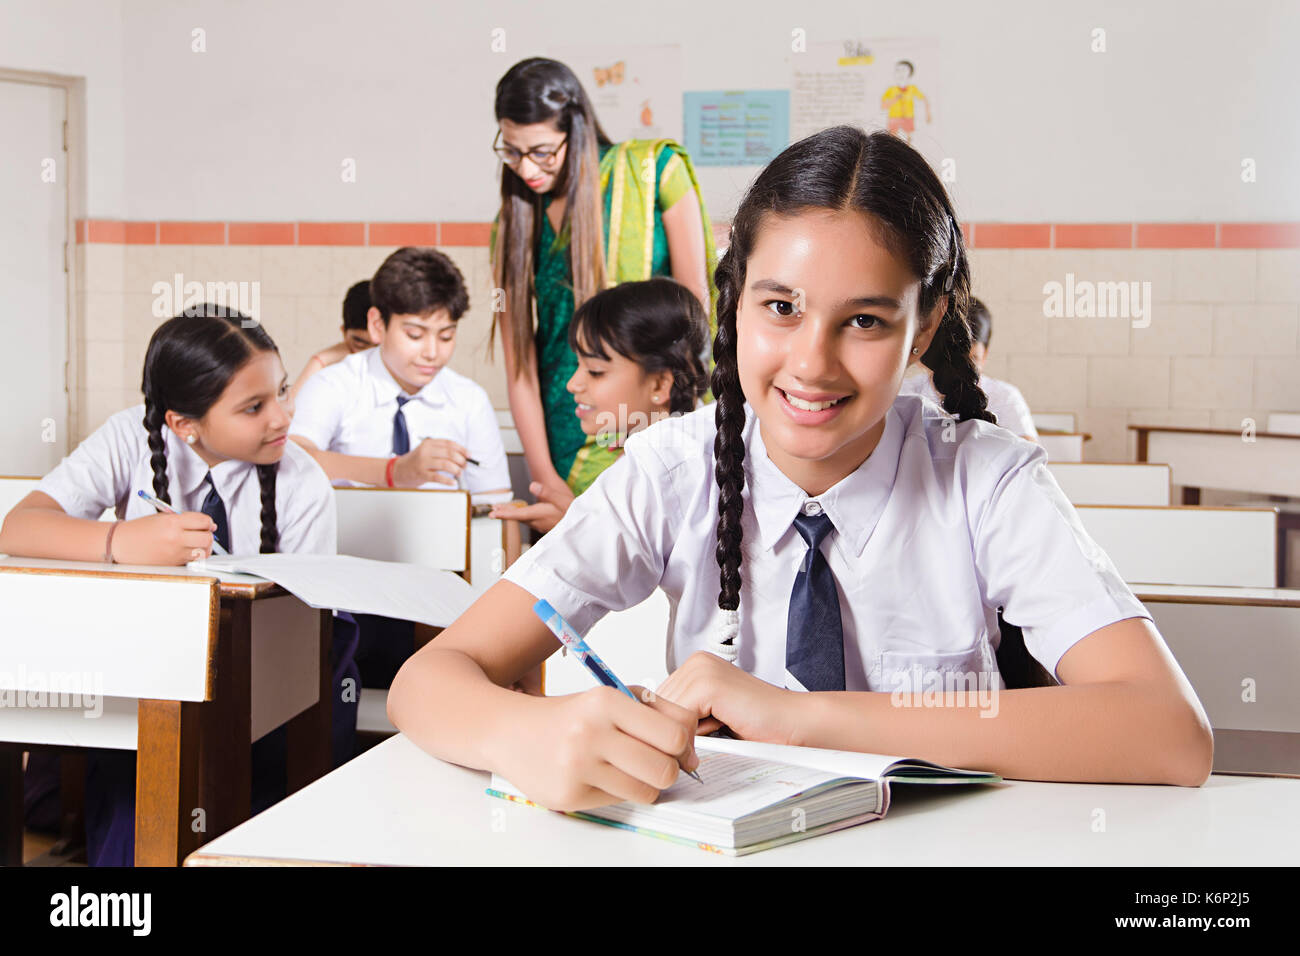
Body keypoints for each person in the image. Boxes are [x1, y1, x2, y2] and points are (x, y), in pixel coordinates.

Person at [387, 126, 1214, 809]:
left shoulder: (984, 480)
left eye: (864, 320)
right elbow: (427, 682)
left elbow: (1168, 732)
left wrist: (798, 717)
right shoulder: (669, 471)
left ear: (921, 334)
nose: (811, 364)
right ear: (735, 302)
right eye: (780, 308)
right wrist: (527, 732)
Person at [0, 306, 356, 865]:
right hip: (148, 661)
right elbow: (19, 527)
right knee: (125, 814)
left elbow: (311, 627)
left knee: (240, 808)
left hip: (274, 673)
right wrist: (120, 540)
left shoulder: (301, 480)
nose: (282, 418)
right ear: (182, 424)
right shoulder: (128, 436)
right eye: (254, 407)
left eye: (282, 393)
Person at [489, 57, 717, 502]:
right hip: (566, 434)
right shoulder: (513, 223)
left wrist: (659, 426)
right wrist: (545, 480)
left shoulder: (655, 170)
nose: (527, 169)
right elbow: (520, 367)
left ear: (576, 130)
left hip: (657, 419)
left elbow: (695, 316)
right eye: (512, 151)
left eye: (541, 151)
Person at [290, 247, 511, 501]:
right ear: (377, 325)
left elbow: (499, 506)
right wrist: (393, 472)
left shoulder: (469, 401)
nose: (432, 352)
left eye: (446, 336)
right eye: (415, 335)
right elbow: (292, 461)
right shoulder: (334, 385)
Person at [490, 277, 709, 533]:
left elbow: (637, 564)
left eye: (595, 371)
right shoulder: (662, 450)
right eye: (578, 365)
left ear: (660, 385)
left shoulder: (650, 472)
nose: (572, 384)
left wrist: (570, 529)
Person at [899, 297, 1039, 441]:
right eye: (952, 359)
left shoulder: (1005, 397)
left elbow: (1029, 455)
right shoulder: (904, 394)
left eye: (973, 359)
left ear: (985, 355)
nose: (961, 368)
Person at [288, 280, 377, 404]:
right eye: (360, 344)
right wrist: (320, 360)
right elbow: (288, 416)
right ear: (343, 332)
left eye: (378, 346)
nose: (369, 353)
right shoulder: (333, 374)